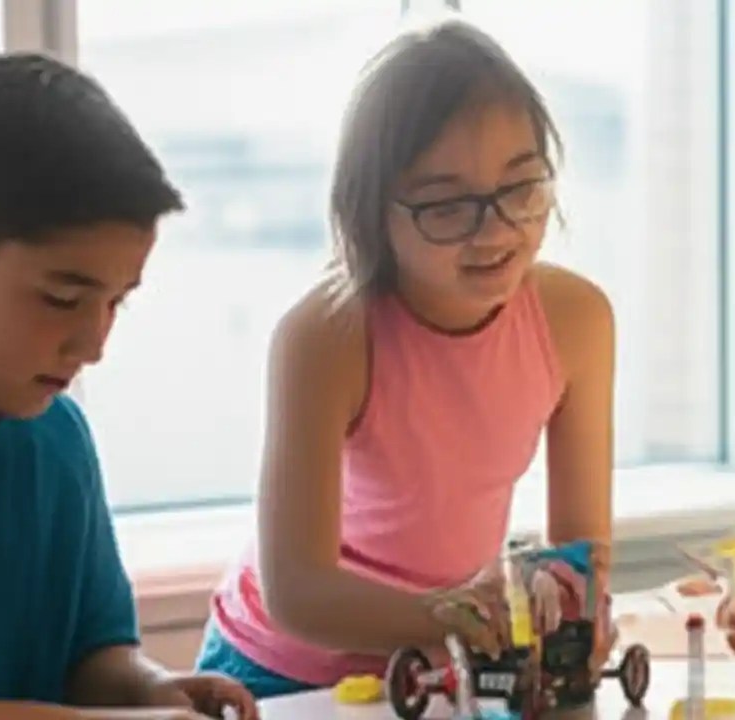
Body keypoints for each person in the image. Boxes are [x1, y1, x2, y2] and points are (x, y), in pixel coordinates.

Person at [195, 17, 617, 699]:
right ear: (372, 213)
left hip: (442, 661)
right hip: (280, 668)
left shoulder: (577, 320)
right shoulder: (326, 335)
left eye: (521, 188)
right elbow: (296, 591)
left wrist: (575, 620)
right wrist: (448, 617)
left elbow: (581, 557)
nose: (496, 229)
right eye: (448, 206)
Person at [0, 54, 257, 720]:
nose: (94, 344)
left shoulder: (56, 434)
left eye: (117, 302)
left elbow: (92, 653)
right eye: (62, 297)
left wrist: (149, 690)